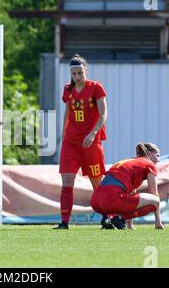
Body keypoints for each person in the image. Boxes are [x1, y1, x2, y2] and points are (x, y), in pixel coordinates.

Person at [54, 54, 108, 229]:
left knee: (97, 182)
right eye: (74, 73)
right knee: (67, 182)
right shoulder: (68, 90)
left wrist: (92, 134)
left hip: (90, 143)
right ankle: (64, 222)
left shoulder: (96, 88)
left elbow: (103, 114)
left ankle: (107, 217)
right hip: (71, 143)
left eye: (80, 73)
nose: (77, 77)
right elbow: (68, 112)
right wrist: (63, 133)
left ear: (86, 70)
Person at [90, 142, 165, 230]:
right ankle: (119, 219)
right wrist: (158, 222)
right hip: (112, 199)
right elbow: (154, 195)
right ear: (149, 154)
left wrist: (130, 225)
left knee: (131, 200)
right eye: (157, 155)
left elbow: (132, 194)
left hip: (95, 201)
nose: (158, 160)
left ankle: (110, 220)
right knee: (154, 202)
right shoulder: (149, 164)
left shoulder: (131, 162)